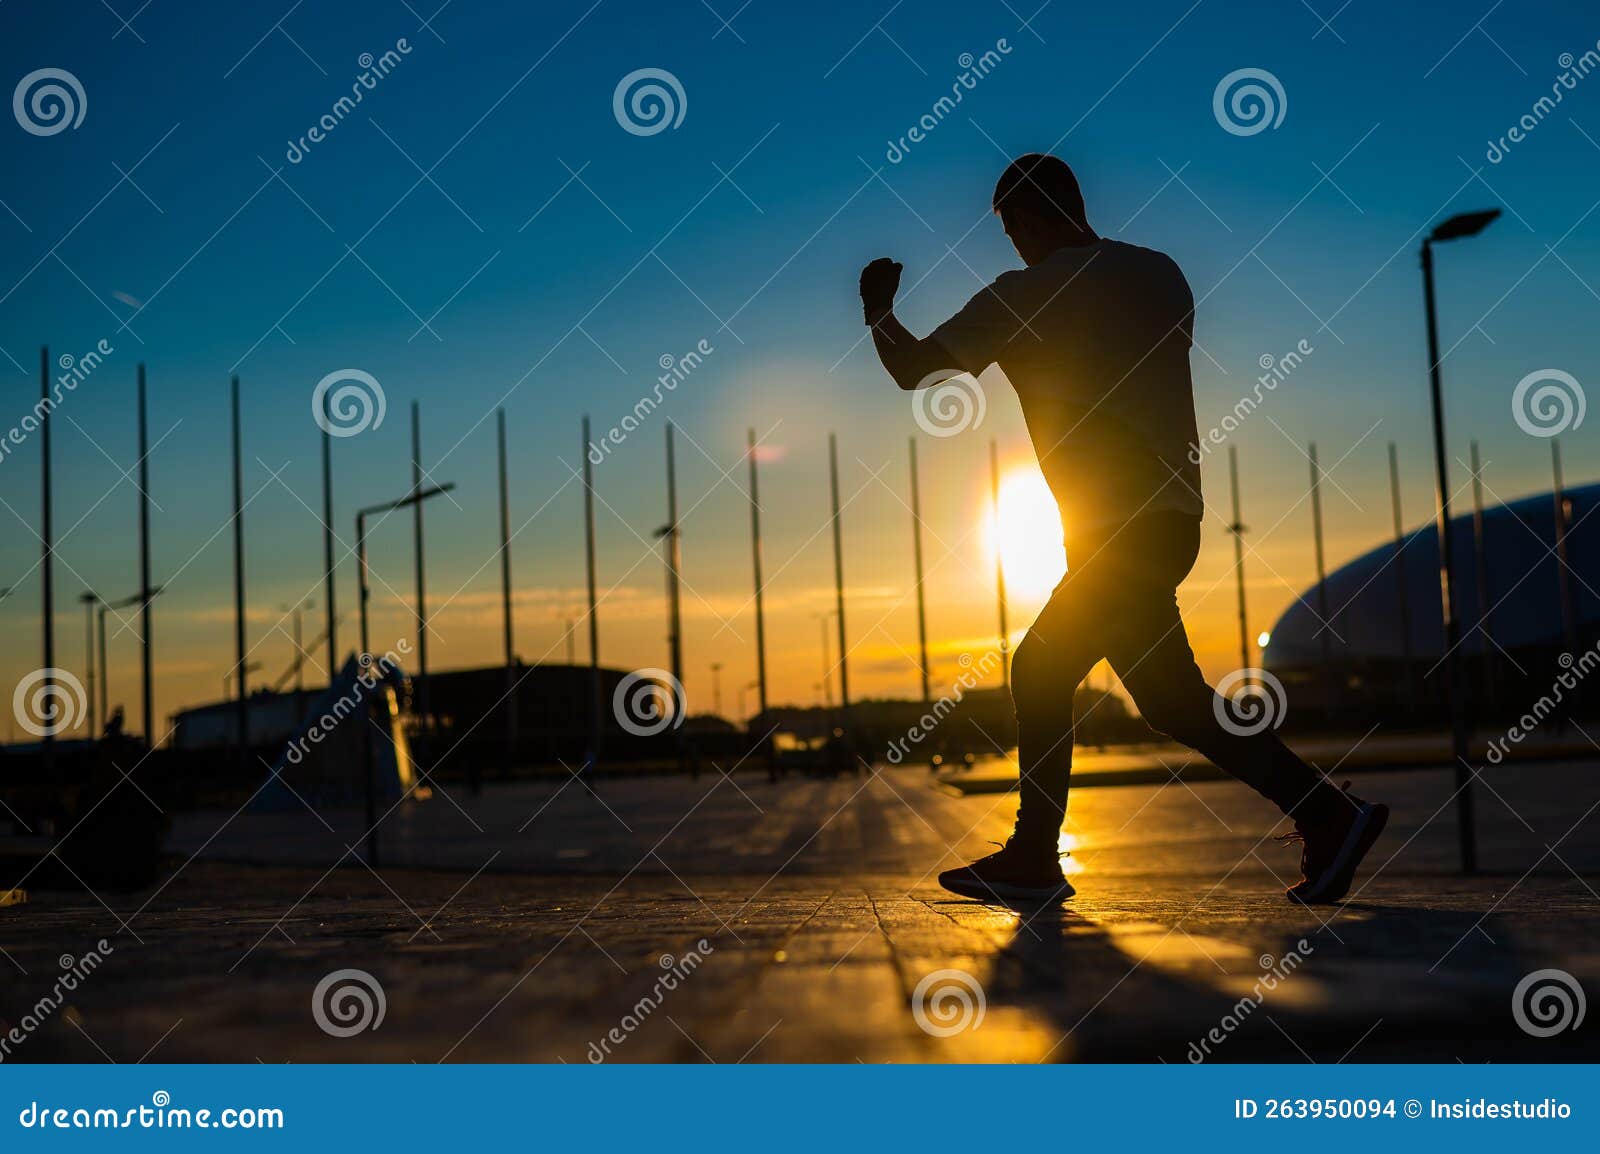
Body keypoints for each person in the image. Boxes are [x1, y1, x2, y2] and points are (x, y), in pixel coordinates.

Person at [858, 153, 1387, 905]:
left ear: (1032, 220)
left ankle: (1036, 857)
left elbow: (915, 373)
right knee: (1171, 703)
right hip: (1171, 522)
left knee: (1039, 671)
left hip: (1114, 533)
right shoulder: (1160, 275)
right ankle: (1331, 815)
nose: (1013, 243)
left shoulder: (1023, 296)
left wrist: (878, 308)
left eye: (1012, 227)